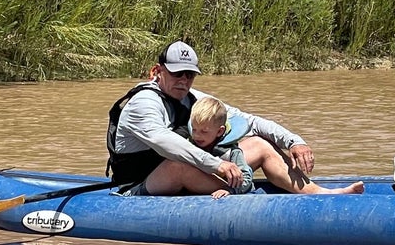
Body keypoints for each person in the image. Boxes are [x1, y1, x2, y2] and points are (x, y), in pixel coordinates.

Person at [107, 40, 361, 195]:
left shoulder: (192, 98)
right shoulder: (143, 103)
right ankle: (240, 194)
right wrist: (217, 166)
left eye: (189, 74)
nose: (183, 80)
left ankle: (319, 194)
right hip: (142, 183)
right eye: (176, 73)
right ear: (157, 71)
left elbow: (248, 122)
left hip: (198, 168)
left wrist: (294, 141)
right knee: (179, 164)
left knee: (259, 144)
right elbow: (167, 143)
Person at [189, 96, 364, 197]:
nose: (197, 136)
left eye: (204, 131)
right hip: (188, 173)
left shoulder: (232, 152)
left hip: (221, 180)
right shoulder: (191, 140)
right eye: (194, 130)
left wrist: (230, 189)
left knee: (261, 143)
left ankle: (322, 194)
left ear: (220, 131)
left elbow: (246, 179)